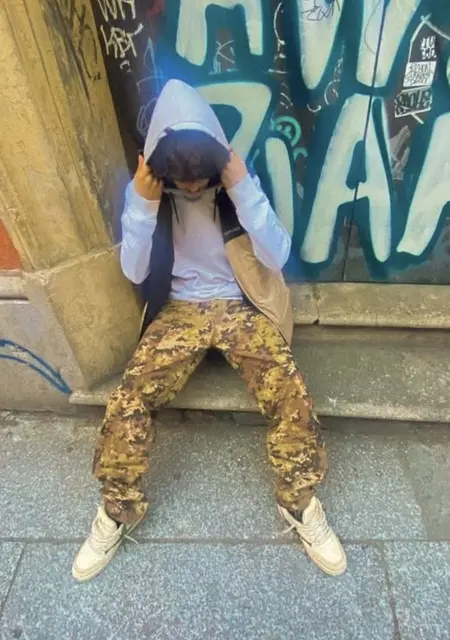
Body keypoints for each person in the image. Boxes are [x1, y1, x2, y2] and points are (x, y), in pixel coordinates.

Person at [72, 79, 347, 582]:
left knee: (290, 389)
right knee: (129, 397)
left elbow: (278, 256)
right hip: (180, 310)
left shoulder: (236, 186)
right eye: (183, 181)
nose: (194, 188)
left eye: (201, 178)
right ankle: (117, 510)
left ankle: (298, 501)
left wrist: (242, 187)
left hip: (240, 306)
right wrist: (142, 204)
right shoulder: (151, 194)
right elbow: (134, 271)